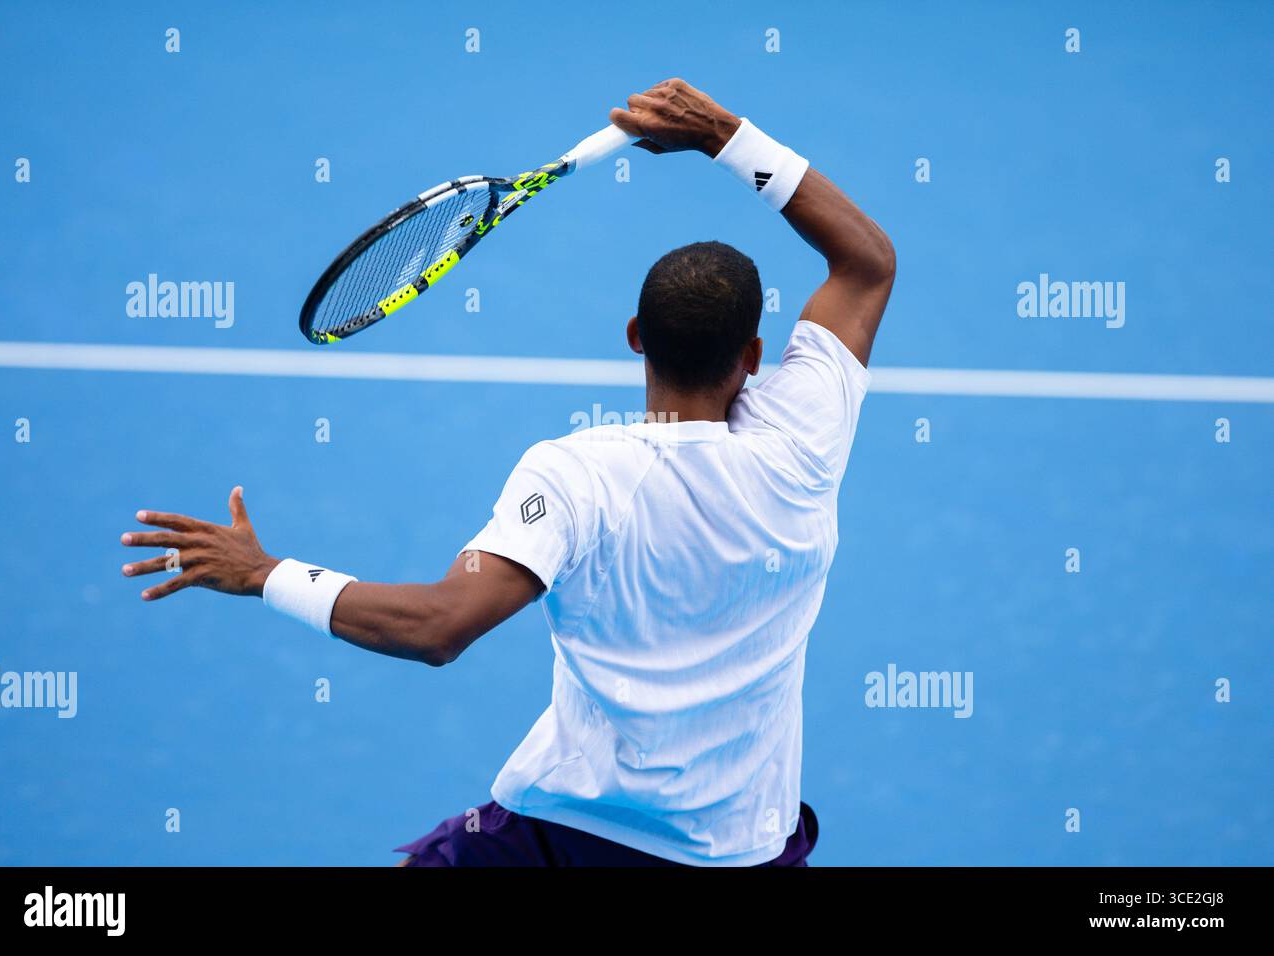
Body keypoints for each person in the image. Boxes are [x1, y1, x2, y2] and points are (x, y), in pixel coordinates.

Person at [119, 79, 895, 866]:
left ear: (634, 336)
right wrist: (723, 135)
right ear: (755, 357)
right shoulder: (805, 439)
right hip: (738, 850)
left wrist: (264, 574)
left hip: (558, 839)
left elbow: (438, 628)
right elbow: (866, 264)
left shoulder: (574, 474)